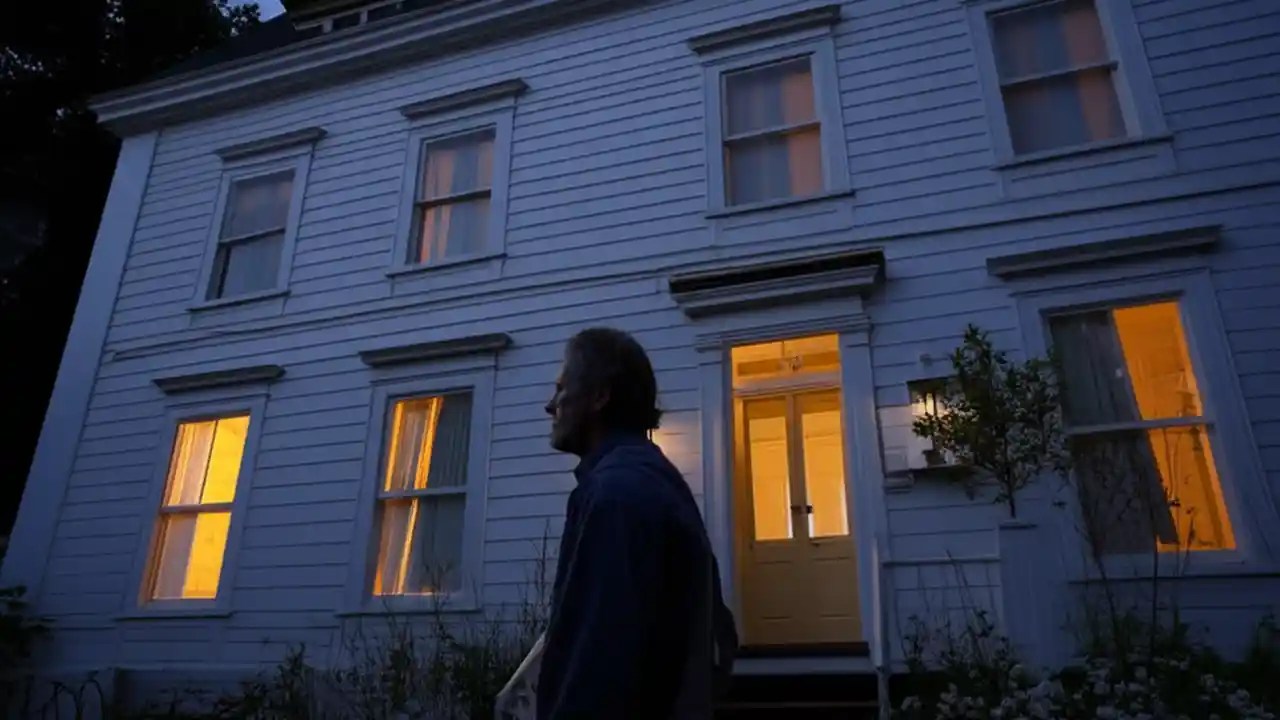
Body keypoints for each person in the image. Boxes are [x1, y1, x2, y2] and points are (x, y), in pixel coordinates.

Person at [536, 327, 738, 720]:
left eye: (561, 388)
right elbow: (720, 639)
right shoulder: (655, 480)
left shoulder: (617, 496)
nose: (550, 405)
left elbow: (597, 661)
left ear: (600, 396)